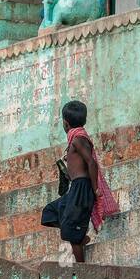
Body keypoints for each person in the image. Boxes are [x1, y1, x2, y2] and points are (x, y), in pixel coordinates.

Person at [41, 101, 118, 264]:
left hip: (82, 188)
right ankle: (79, 237)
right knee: (50, 212)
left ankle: (81, 266)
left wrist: (96, 189)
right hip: (75, 187)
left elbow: (91, 163)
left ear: (65, 123)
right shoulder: (75, 140)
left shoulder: (78, 139)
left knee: (72, 232)